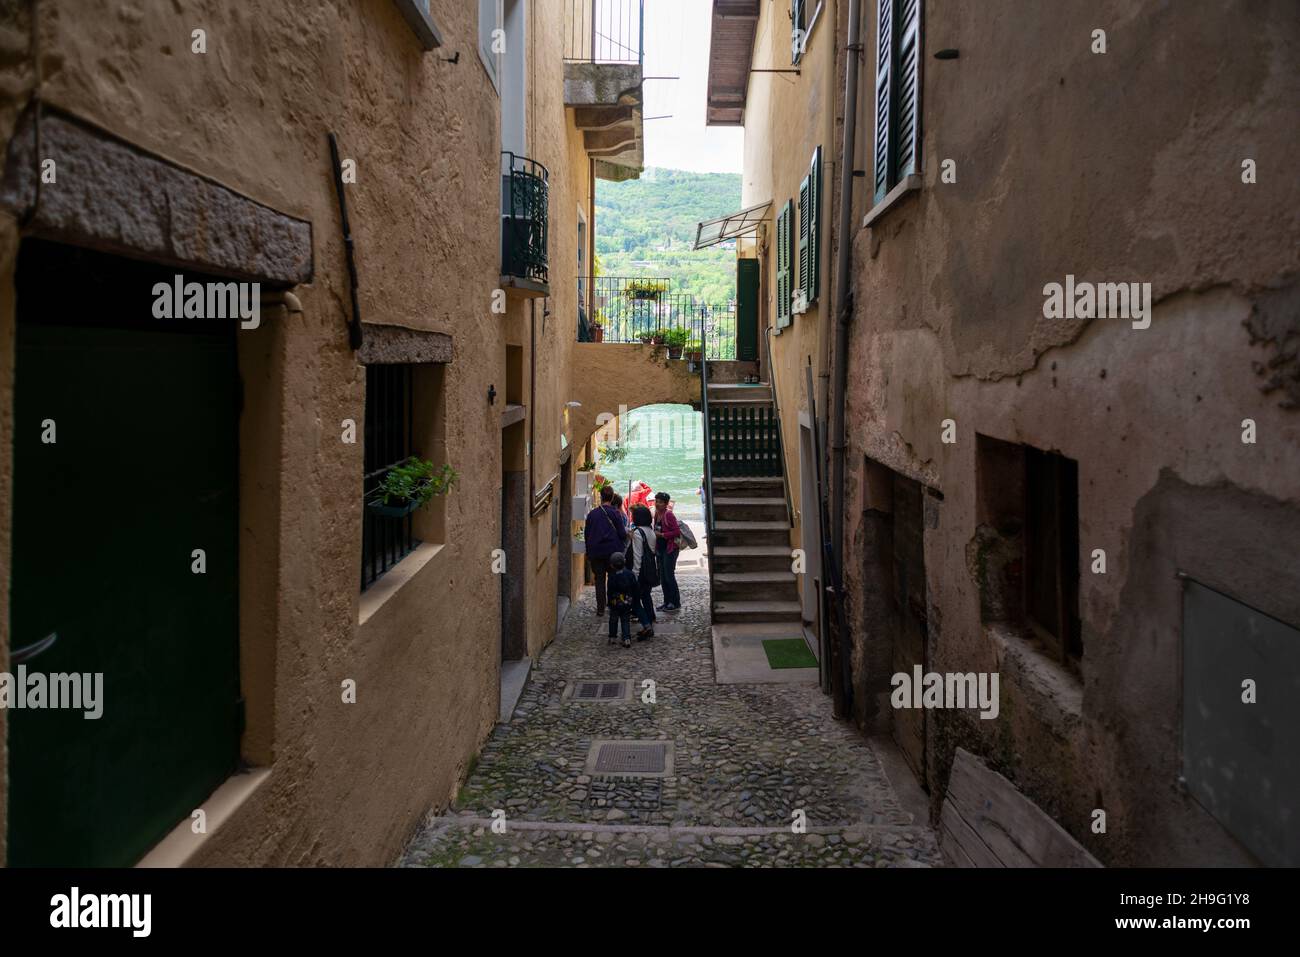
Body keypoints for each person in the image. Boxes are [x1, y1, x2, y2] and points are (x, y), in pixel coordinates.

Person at [583, 485, 626, 617]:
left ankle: (600, 608)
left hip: (596, 552)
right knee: (613, 579)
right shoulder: (615, 513)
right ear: (612, 497)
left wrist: (588, 551)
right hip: (612, 552)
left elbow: (587, 534)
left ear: (601, 497)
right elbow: (622, 533)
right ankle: (613, 604)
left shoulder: (592, 514)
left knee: (599, 581)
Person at [626, 504, 657, 639]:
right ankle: (649, 621)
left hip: (641, 573)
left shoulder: (638, 533)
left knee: (635, 601)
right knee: (646, 596)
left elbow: (637, 556)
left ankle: (647, 626)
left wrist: (634, 575)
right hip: (649, 571)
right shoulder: (650, 531)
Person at [653, 491, 682, 612]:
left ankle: (675, 602)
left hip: (669, 549)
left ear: (666, 504)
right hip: (660, 549)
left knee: (669, 576)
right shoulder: (656, 514)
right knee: (663, 577)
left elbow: (676, 532)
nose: (657, 504)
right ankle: (666, 601)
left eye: (660, 502)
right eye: (656, 501)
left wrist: (662, 534)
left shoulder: (668, 515)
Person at [605, 552, 637, 649]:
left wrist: (609, 601)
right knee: (625, 620)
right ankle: (626, 638)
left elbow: (609, 590)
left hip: (615, 602)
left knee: (613, 620)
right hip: (627, 601)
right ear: (625, 562)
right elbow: (635, 587)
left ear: (611, 565)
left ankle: (612, 637)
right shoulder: (630, 574)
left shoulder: (611, 576)